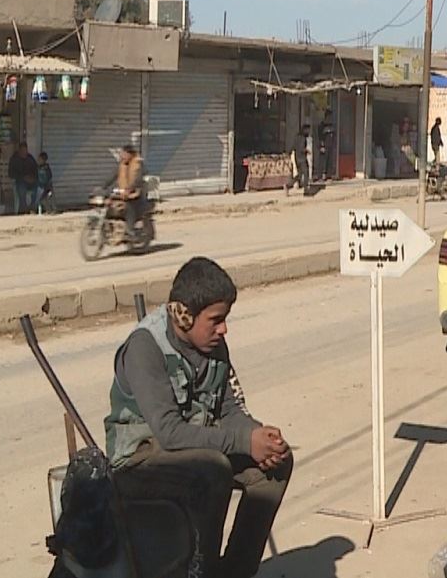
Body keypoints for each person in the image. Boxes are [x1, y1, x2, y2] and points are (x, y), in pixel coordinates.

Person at [103, 257, 291, 578]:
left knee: (274, 468)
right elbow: (169, 433)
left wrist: (260, 437)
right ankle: (201, 572)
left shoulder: (214, 347)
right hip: (138, 460)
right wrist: (243, 441)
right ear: (183, 315)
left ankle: (233, 572)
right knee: (212, 470)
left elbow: (229, 410)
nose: (224, 328)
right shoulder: (144, 348)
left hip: (193, 450)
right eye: (216, 320)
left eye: (226, 319)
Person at [108, 144, 148, 241]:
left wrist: (130, 188)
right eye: (121, 154)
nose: (122, 156)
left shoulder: (138, 164)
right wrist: (102, 187)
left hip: (137, 195)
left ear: (130, 154)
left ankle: (130, 231)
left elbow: (138, 180)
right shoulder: (122, 165)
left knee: (129, 206)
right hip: (125, 193)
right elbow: (112, 177)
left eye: (124, 154)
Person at [8, 141, 39, 214]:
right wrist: (22, 177)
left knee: (37, 186)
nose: (24, 153)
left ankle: (33, 207)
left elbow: (35, 170)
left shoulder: (30, 158)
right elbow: (11, 173)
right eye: (22, 151)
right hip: (20, 180)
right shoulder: (14, 159)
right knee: (21, 188)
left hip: (30, 180)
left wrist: (33, 178)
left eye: (25, 151)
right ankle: (23, 209)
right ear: (19, 150)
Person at [289, 125, 310, 195]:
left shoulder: (296, 137)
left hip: (297, 158)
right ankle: (306, 189)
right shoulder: (303, 138)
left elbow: (293, 146)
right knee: (306, 173)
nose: (308, 132)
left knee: (299, 174)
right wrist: (306, 150)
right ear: (304, 130)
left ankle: (288, 185)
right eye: (307, 130)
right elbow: (301, 149)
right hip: (302, 158)